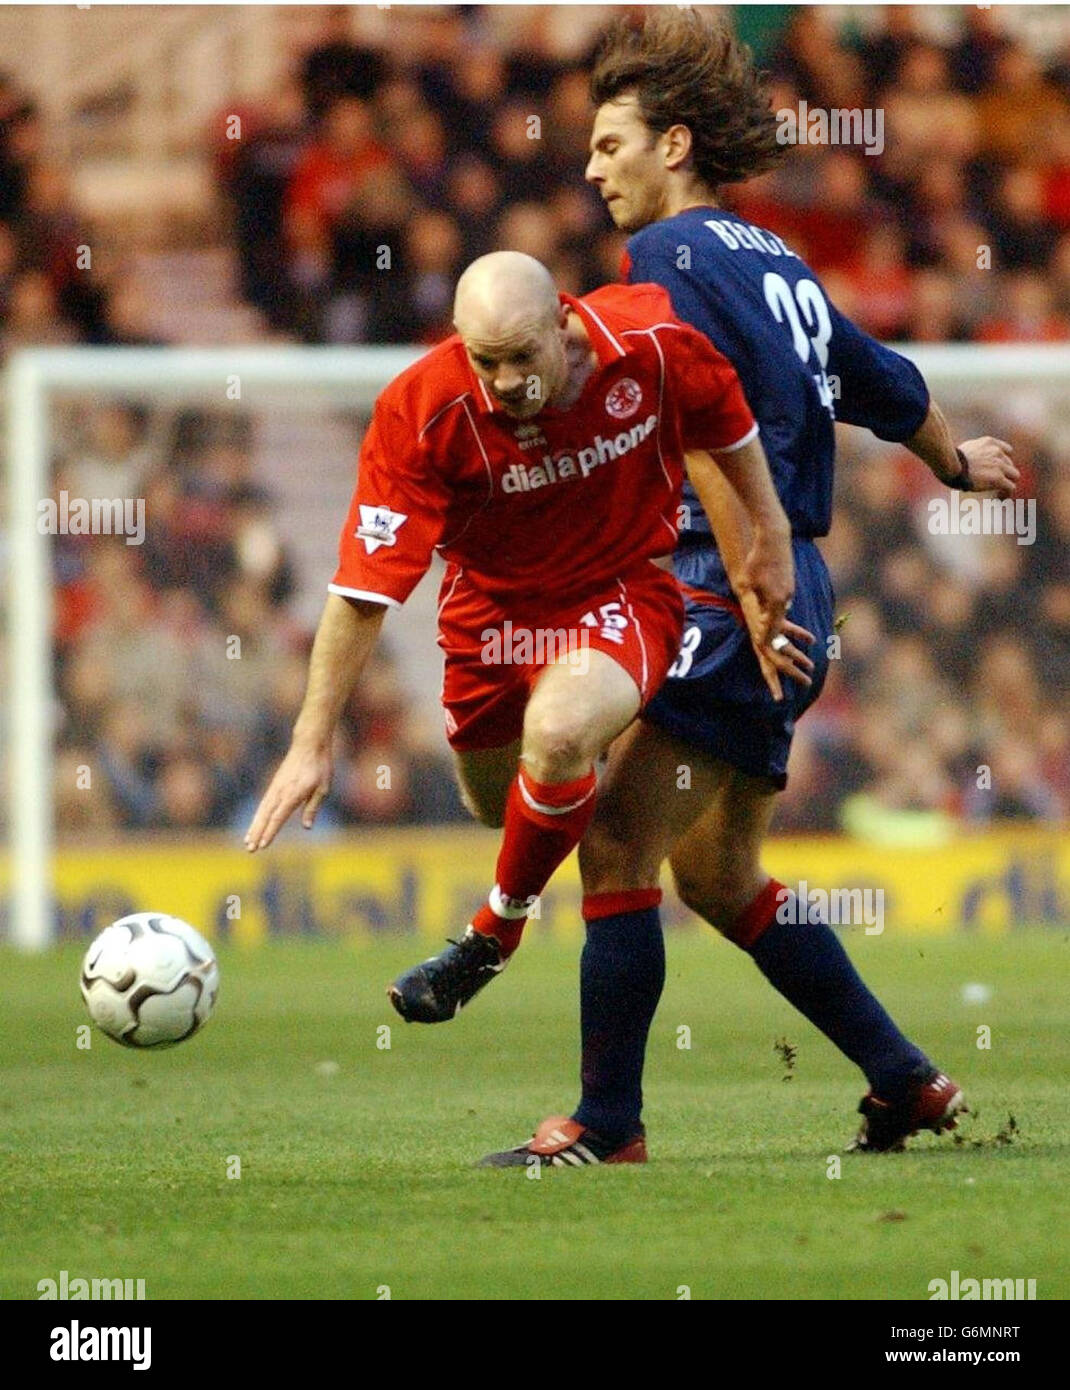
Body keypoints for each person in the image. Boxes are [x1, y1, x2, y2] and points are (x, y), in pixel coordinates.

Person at [478, 12, 1020, 1168]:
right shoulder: (777, 261)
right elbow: (878, 376)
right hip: (786, 592)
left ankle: (605, 1128)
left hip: (734, 595)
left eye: (610, 144)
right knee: (718, 875)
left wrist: (740, 582)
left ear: (673, 144)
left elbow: (706, 418)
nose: (590, 167)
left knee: (616, 847)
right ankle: (905, 1079)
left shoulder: (665, 262)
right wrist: (949, 457)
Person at [244, 250, 795, 1031]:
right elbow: (362, 593)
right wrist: (310, 740)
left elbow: (725, 417)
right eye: (485, 361)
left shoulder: (646, 344)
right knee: (496, 803)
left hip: (621, 593)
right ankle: (567, 788)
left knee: (562, 730)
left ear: (563, 324)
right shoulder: (420, 410)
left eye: (522, 356)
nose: (505, 382)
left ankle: (490, 936)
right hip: (489, 623)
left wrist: (768, 533)